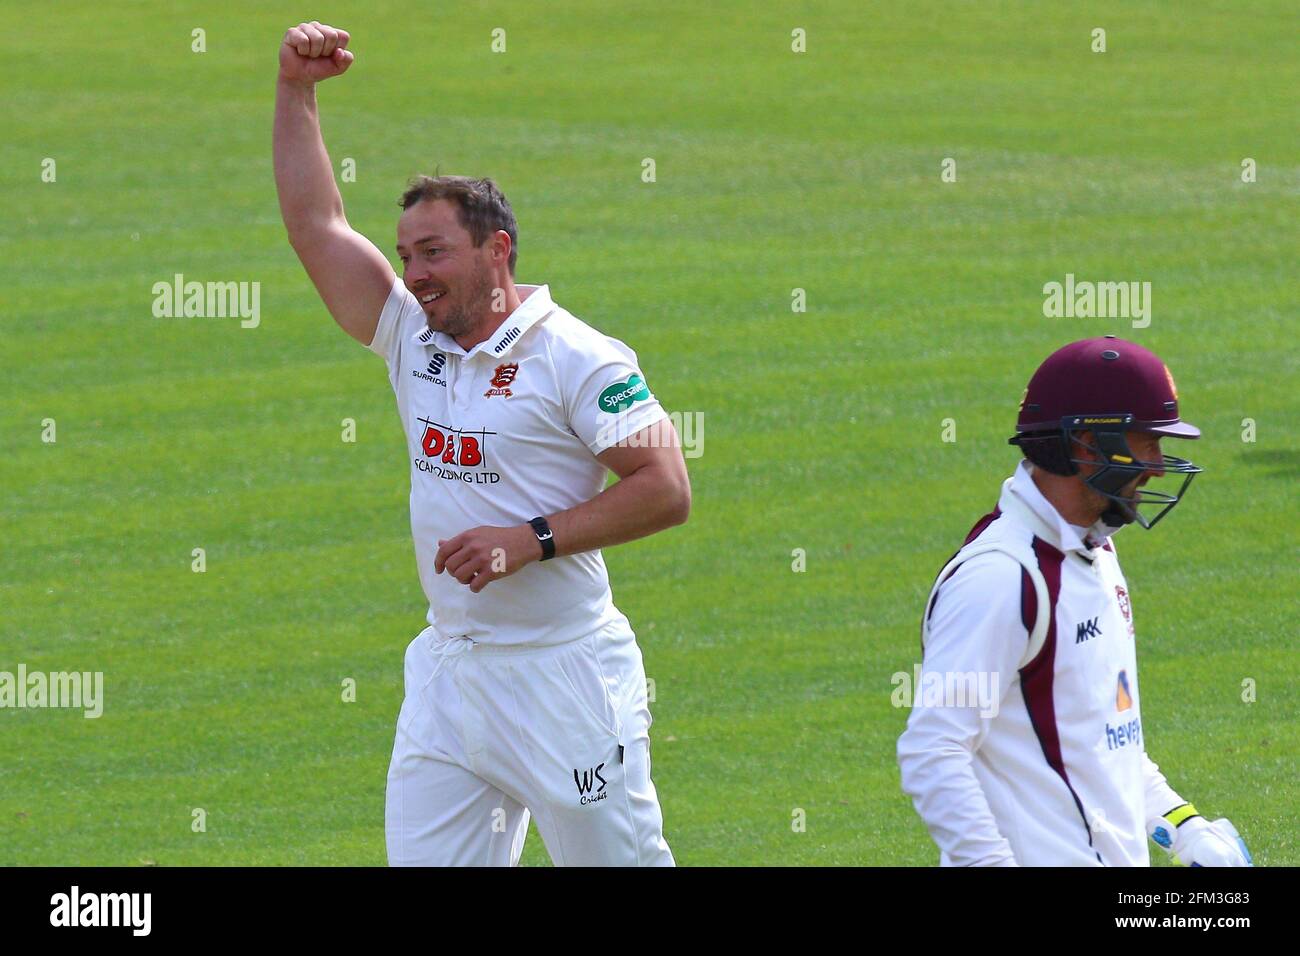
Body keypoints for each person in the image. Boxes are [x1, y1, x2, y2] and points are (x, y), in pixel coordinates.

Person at [273, 21, 689, 866]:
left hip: (562, 677)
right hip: (450, 672)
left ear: (497, 250)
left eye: (434, 253)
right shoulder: (411, 337)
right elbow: (317, 225)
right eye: (405, 255)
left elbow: (665, 485)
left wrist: (529, 542)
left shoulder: (582, 357)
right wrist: (295, 90)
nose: (414, 274)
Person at [897, 336, 1252, 867]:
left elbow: (1107, 744)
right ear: (1087, 446)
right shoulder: (999, 581)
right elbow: (933, 752)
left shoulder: (1096, 551)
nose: (1157, 466)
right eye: (1146, 443)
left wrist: (1184, 827)